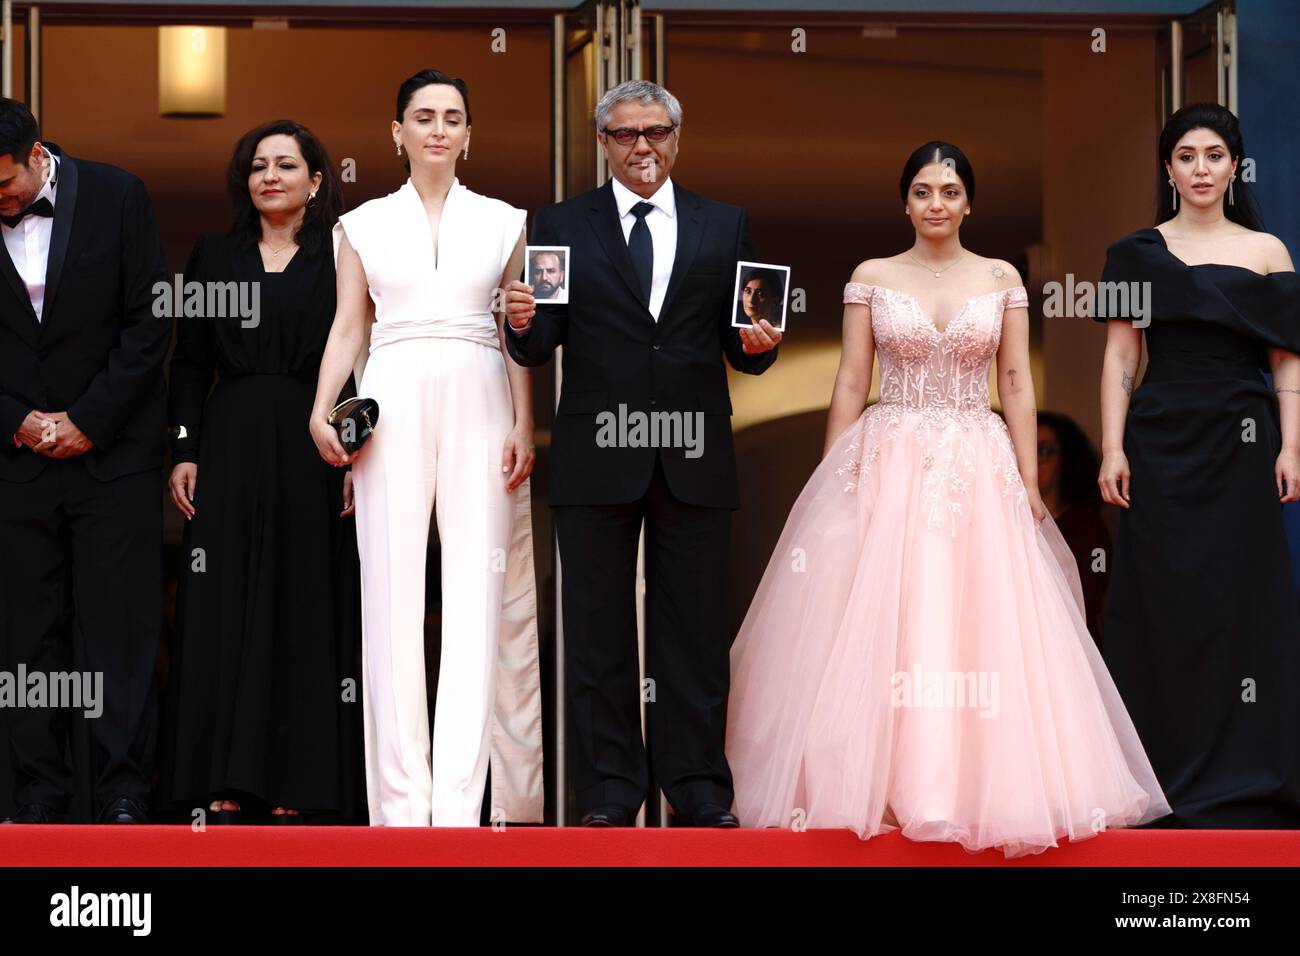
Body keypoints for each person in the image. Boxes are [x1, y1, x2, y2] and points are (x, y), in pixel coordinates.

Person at [725, 142, 1169, 857]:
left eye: (951, 191)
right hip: (888, 450)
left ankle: (958, 791)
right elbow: (849, 380)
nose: (938, 203)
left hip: (975, 455)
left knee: (971, 618)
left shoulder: (1000, 279)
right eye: (925, 191)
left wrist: (1026, 481)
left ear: (969, 203)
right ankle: (884, 788)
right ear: (906, 202)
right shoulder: (871, 275)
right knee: (886, 617)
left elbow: (1018, 384)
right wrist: (835, 473)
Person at [504, 79, 781, 828]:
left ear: (677, 137)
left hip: (692, 451)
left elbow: (744, 347)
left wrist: (761, 343)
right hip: (598, 451)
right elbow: (539, 341)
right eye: (625, 134)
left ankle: (697, 787)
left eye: (656, 132)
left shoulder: (724, 226)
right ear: (603, 143)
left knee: (693, 631)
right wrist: (522, 320)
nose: (642, 147)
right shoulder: (560, 224)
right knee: (596, 633)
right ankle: (606, 792)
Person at [310, 69, 543, 828]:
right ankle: (402, 806)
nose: (438, 128)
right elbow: (350, 327)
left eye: (452, 117)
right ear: (397, 132)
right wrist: (323, 408)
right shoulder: (364, 223)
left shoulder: (508, 220)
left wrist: (521, 421)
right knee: (390, 595)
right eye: (423, 116)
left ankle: (459, 806)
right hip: (392, 387)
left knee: (478, 599)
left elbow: (516, 329)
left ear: (469, 134)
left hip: (482, 388)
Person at [1096, 103, 1300, 827]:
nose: (1202, 169)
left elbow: (1287, 360)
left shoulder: (1270, 251)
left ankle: (1247, 776)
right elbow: (1122, 354)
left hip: (1243, 441)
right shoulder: (1133, 254)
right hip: (1160, 441)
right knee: (1162, 601)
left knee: (1241, 601)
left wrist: (1291, 446)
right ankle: (1153, 777)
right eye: (1187, 156)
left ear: (1234, 166)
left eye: (1215, 155)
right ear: (1168, 168)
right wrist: (1113, 445)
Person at [161, 120, 363, 825]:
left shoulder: (341, 254)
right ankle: (223, 778)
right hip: (230, 442)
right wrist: (184, 449)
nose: (269, 175)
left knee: (304, 603)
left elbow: (365, 359)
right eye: (256, 166)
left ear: (316, 180)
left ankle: (297, 781)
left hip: (314, 445)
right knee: (225, 606)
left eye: (286, 164)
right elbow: (189, 360)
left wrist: (354, 448)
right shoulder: (213, 256)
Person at [0, 97, 170, 824]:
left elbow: (150, 319)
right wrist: (20, 422)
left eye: (3, 185)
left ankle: (124, 787)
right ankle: (40, 790)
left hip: (113, 461)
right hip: (14, 462)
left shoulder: (118, 194)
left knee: (119, 628)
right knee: (26, 631)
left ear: (38, 155)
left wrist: (86, 421)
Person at [1036, 410, 1110, 647]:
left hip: (1071, 644)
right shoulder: (1012, 519)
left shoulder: (1088, 526)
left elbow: (1094, 585)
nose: (1035, 459)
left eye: (1044, 450)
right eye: (1027, 449)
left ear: (1066, 459)